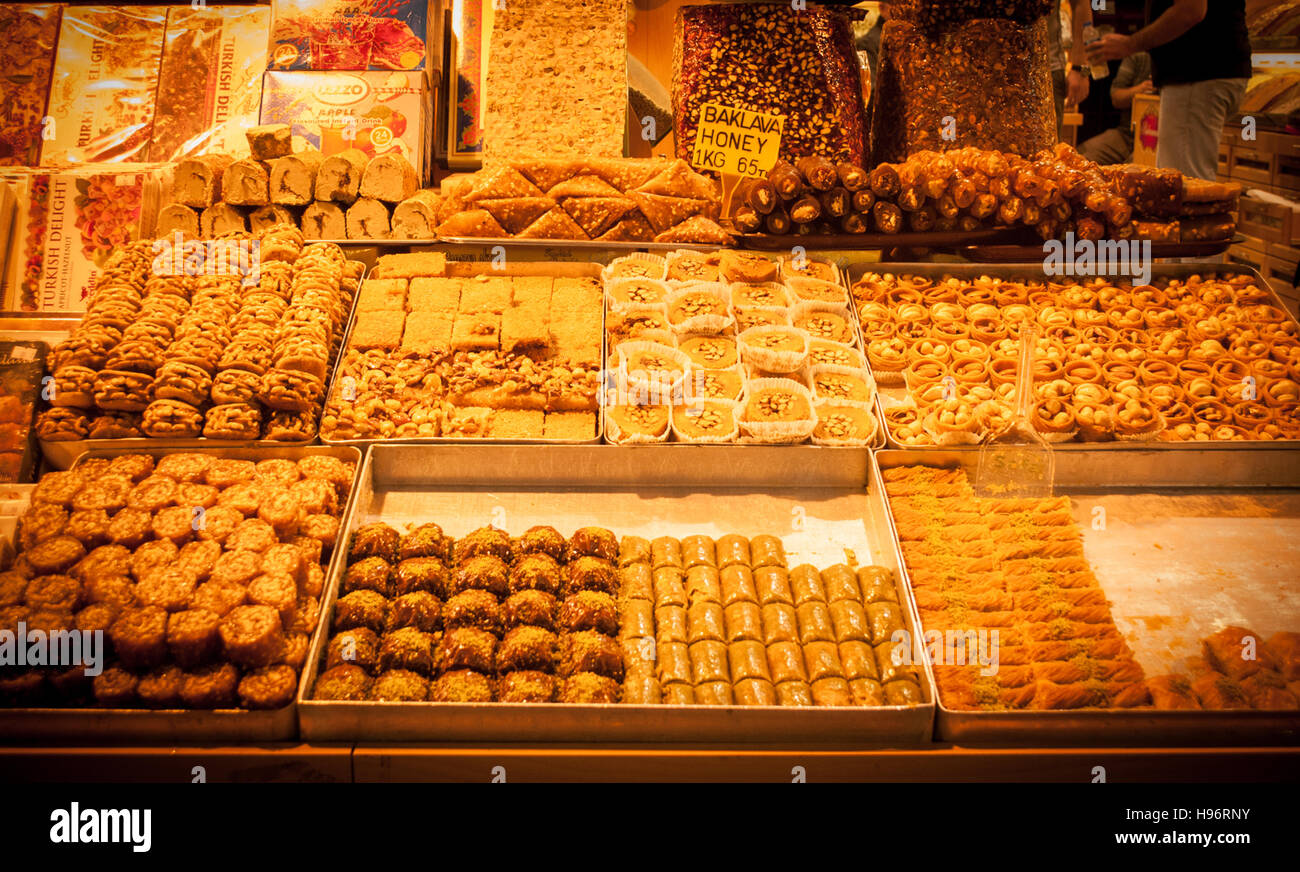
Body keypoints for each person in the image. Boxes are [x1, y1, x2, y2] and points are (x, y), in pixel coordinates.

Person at [1086, 0, 1251, 181]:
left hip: (1197, 72)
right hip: (1209, 73)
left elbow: (1190, 10)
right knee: (1182, 182)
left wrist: (1130, 44)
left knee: (1183, 185)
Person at [1078, 52, 1153, 165]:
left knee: (1136, 169)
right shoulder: (1139, 56)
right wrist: (1141, 89)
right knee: (1081, 156)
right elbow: (1116, 98)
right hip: (1126, 134)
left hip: (1155, 139)